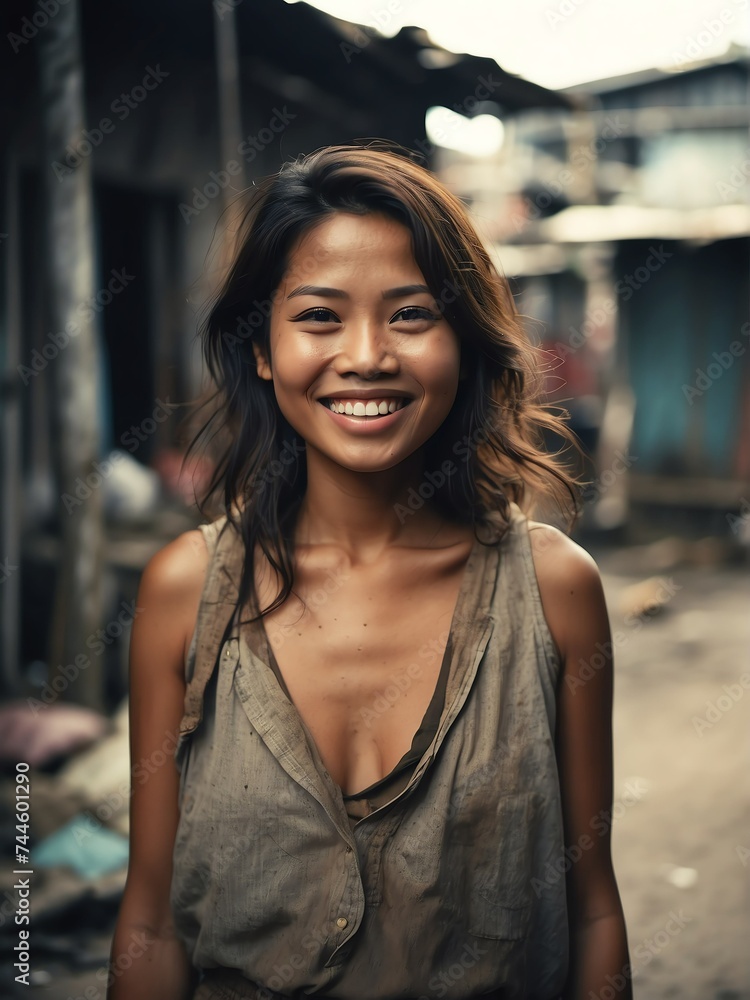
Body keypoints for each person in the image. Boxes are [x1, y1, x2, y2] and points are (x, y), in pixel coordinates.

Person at [107, 142, 631, 1000]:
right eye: (318, 316)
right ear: (262, 349)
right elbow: (153, 919)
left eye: (411, 315)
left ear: (462, 341)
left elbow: (592, 912)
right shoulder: (185, 594)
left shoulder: (555, 592)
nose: (367, 356)